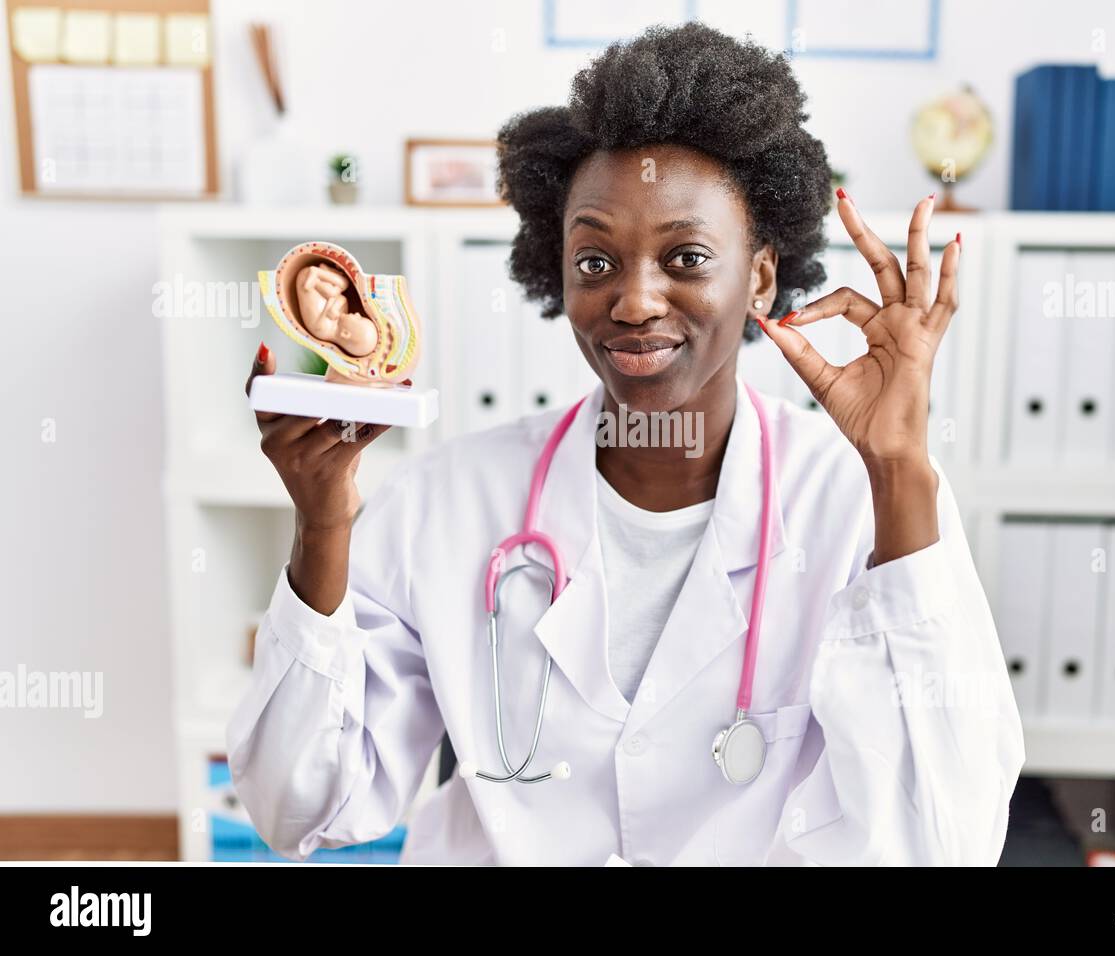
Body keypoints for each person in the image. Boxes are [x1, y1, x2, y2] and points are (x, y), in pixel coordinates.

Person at [228, 22, 1024, 866]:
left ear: (759, 273)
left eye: (685, 256)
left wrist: (899, 467)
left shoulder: (861, 505)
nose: (635, 301)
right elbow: (298, 811)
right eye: (596, 261)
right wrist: (322, 530)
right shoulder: (447, 500)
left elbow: (949, 842)